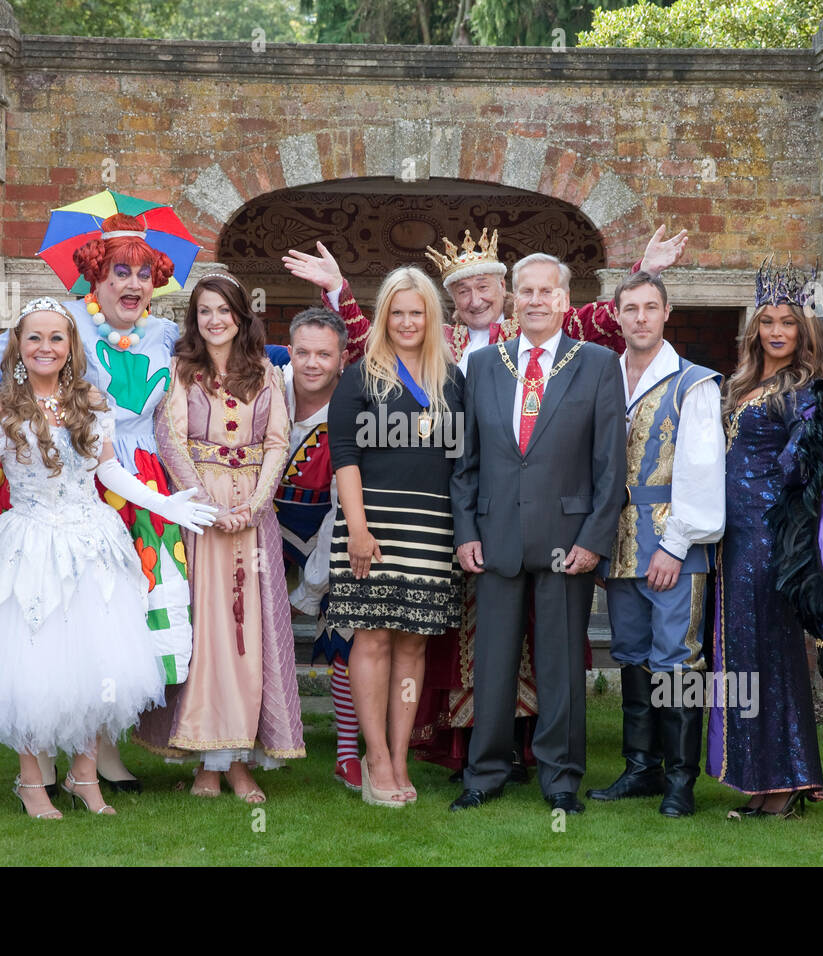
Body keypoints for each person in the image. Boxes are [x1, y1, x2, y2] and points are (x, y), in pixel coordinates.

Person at [285, 226, 686, 779]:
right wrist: (341, 293)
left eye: (486, 288)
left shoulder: (537, 331)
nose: (475, 299)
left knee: (529, 642)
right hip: (460, 522)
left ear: (507, 292)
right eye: (463, 291)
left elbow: (603, 317)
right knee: (440, 640)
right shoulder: (439, 345)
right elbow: (374, 349)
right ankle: (453, 750)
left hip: (526, 521)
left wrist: (648, 267)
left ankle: (531, 748)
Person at [0, 212, 197, 794]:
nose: (132, 284)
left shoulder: (164, 337)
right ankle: (43, 762)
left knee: (116, 620)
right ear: (93, 277)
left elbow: (225, 354)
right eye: (118, 271)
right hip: (58, 479)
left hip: (136, 487)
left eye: (143, 273)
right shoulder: (60, 327)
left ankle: (101, 754)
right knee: (50, 615)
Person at [0, 298, 217, 818]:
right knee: (29, 662)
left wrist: (163, 502)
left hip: (93, 542)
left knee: (98, 659)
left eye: (56, 338)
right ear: (18, 346)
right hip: (28, 545)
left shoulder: (92, 400)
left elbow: (109, 473)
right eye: (34, 338)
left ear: (71, 347)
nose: (45, 347)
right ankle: (30, 783)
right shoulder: (0, 408)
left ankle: (85, 775)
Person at [706, 259, 823, 818]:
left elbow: (808, 457)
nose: (778, 331)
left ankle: (786, 784)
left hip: (769, 538)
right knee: (738, 656)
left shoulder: (802, 387)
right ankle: (762, 782)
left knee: (768, 654)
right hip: (729, 537)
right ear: (755, 329)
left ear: (801, 330)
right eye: (768, 322)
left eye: (788, 322)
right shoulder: (741, 383)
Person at [450, 253, 626, 815]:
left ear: (564, 300)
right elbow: (466, 462)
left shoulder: (597, 363)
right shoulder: (484, 365)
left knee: (559, 665)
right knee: (492, 663)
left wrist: (595, 538)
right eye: (524, 292)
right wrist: (465, 531)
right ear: (511, 299)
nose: (534, 301)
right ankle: (485, 773)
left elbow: (610, 463)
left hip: (568, 538)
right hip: (495, 534)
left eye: (546, 292)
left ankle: (560, 778)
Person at [134, 273, 305, 803]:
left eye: (224, 310)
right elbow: (170, 438)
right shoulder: (182, 371)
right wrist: (205, 505)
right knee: (206, 632)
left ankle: (237, 760)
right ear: (195, 318)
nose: (214, 320)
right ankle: (206, 760)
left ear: (240, 315)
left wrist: (253, 505)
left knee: (246, 635)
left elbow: (278, 442)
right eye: (204, 311)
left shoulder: (267, 375)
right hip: (200, 513)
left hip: (253, 513)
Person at [585, 271, 724, 817]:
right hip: (618, 544)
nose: (640, 317)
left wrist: (675, 544)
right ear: (617, 317)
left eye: (650, 307)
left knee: (678, 662)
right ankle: (641, 768)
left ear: (667, 313)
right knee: (634, 659)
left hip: (674, 543)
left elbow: (702, 473)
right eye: (630, 309)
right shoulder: (605, 377)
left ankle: (680, 780)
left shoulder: (695, 383)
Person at [326, 266, 465, 808]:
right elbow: (346, 458)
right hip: (372, 525)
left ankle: (401, 756)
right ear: (384, 316)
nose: (407, 322)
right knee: (374, 638)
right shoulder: (360, 376)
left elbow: (463, 461)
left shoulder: (453, 380)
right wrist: (357, 530)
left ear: (431, 317)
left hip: (432, 528)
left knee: (412, 646)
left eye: (417, 312)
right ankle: (375, 756)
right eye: (397, 312)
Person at [268, 307, 364, 791]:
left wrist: (317, 576)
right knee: (251, 629)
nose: (311, 363)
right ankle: (246, 742)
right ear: (289, 350)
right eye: (302, 351)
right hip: (264, 519)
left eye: (323, 354)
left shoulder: (356, 400)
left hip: (332, 522)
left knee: (345, 629)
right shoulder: (265, 384)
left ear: (342, 357)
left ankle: (347, 752)